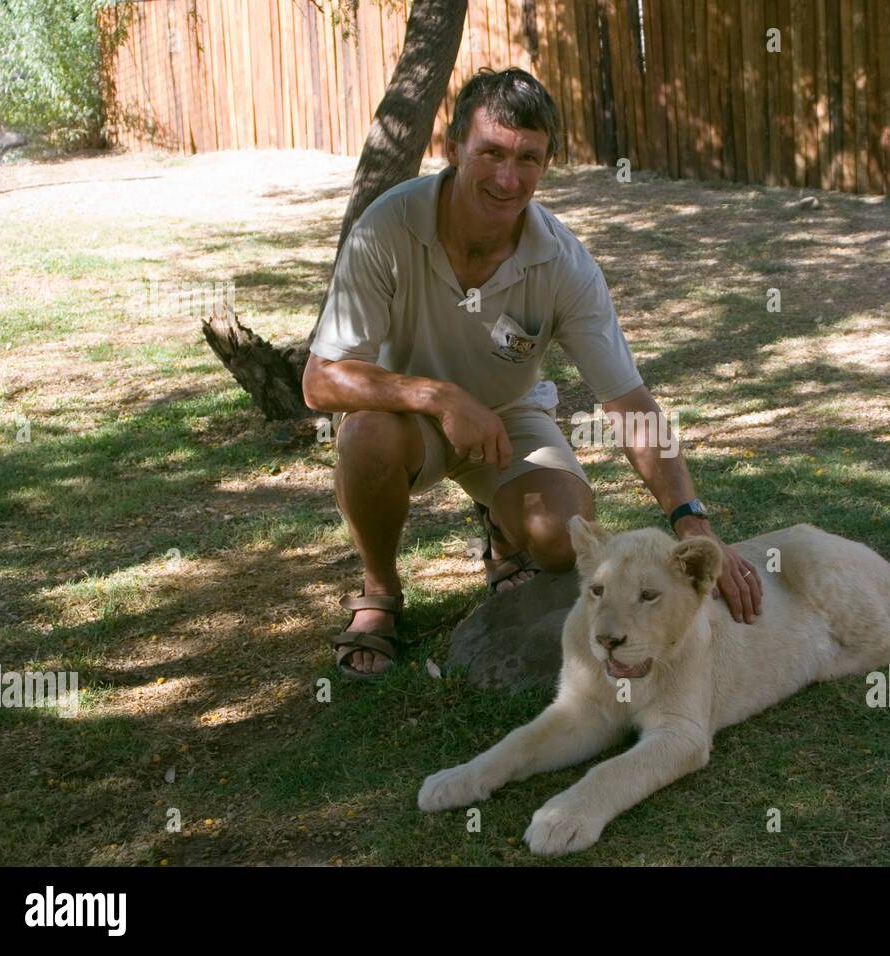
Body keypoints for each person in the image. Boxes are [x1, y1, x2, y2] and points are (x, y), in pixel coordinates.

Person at [303, 68, 762, 680]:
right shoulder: (388, 227)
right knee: (364, 435)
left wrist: (693, 526)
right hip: (406, 416)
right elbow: (320, 380)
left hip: (510, 420)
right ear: (452, 148)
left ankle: (504, 532)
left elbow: (628, 401)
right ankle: (380, 591)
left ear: (548, 163)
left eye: (528, 158)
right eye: (490, 151)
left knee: (560, 537)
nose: (506, 177)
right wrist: (439, 397)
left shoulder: (564, 261)